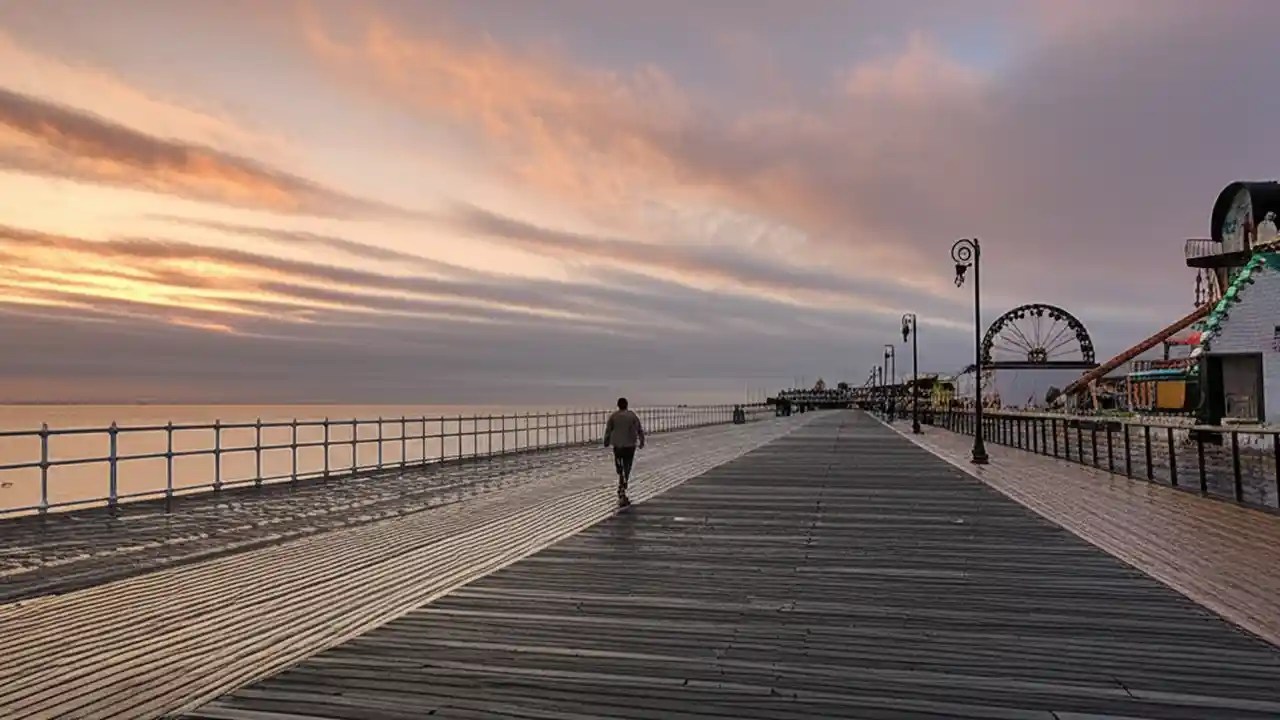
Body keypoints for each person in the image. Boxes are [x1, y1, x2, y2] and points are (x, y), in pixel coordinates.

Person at [603, 397, 645, 508]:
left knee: (619, 464)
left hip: (617, 445)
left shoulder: (613, 416)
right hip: (630, 445)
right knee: (628, 465)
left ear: (618, 405)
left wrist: (606, 441)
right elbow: (639, 429)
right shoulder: (632, 416)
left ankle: (621, 480)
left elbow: (608, 430)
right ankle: (624, 481)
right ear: (626, 405)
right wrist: (641, 441)